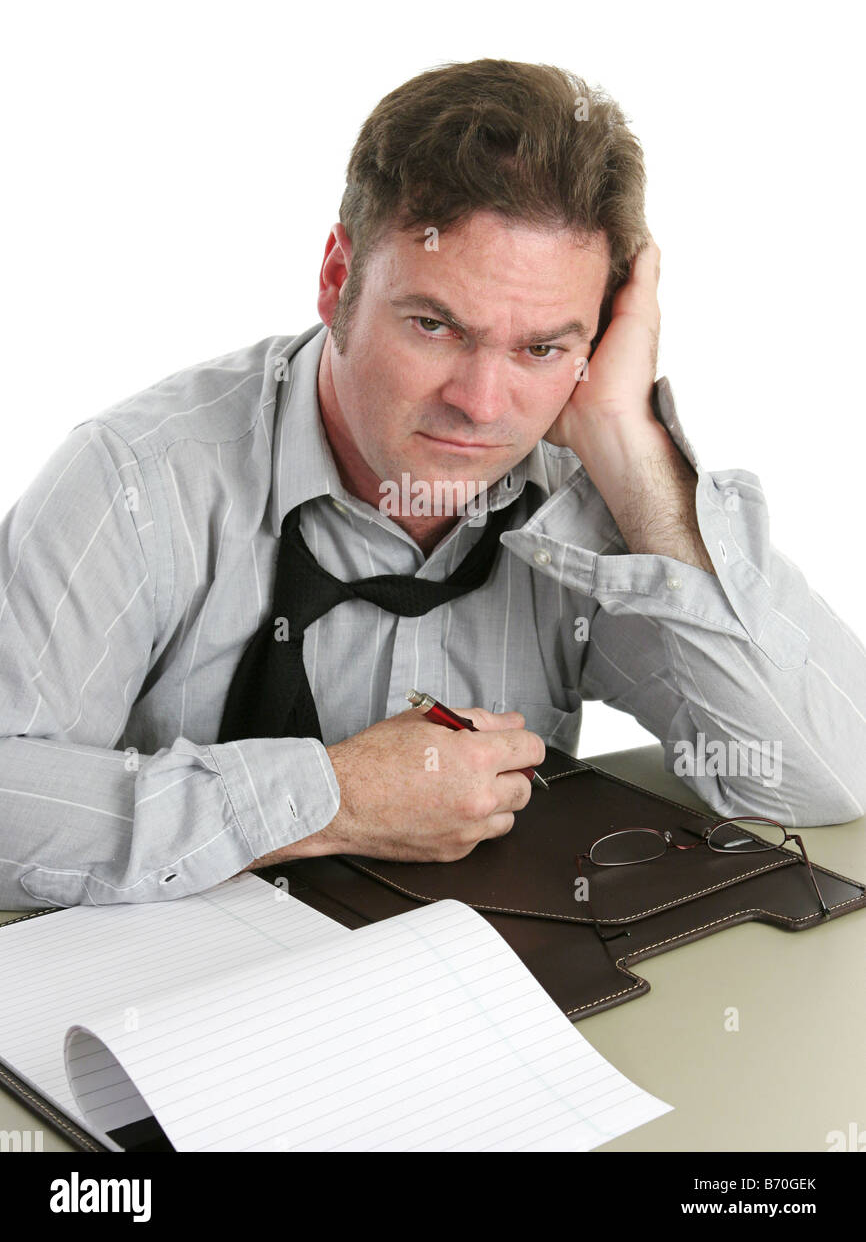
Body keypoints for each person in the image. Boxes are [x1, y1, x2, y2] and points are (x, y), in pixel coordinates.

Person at [1, 58, 864, 912]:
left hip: (479, 986)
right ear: (338, 280)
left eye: (542, 348)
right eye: (436, 326)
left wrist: (635, 449)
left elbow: (825, 777)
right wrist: (331, 796)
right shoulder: (136, 484)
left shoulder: (584, 500)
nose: (481, 405)